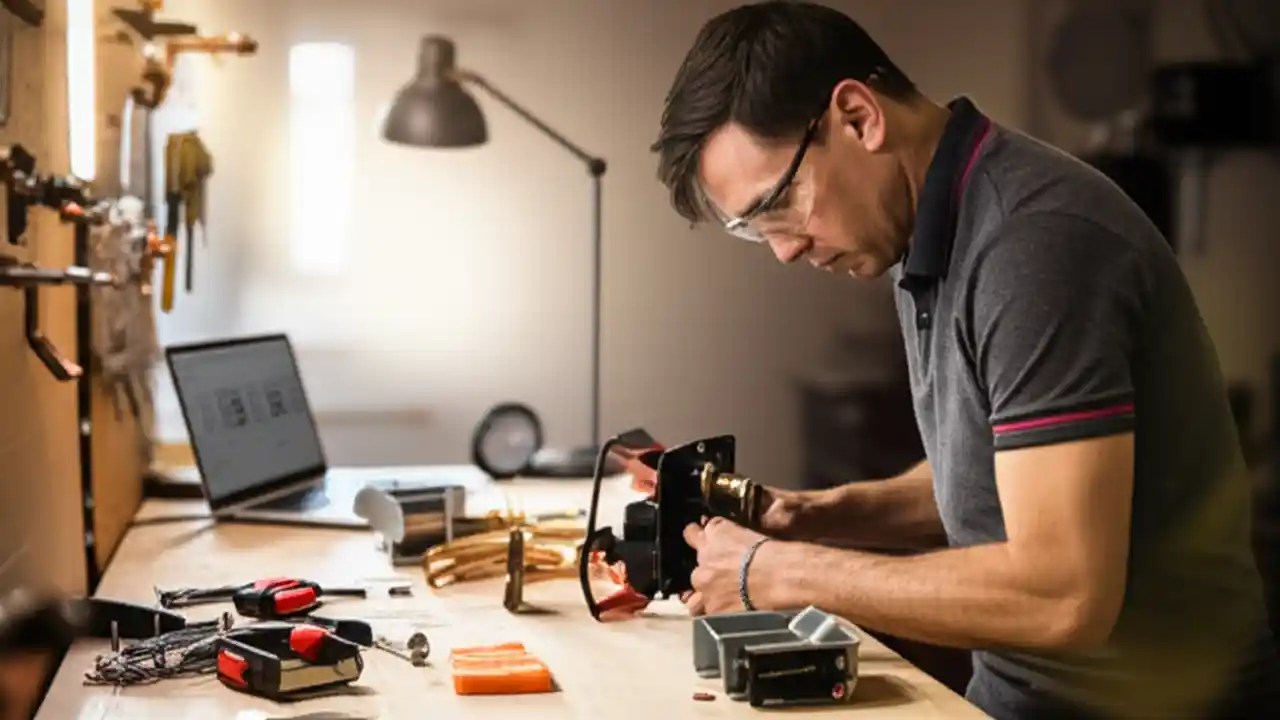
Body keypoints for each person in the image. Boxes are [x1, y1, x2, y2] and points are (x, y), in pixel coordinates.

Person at [649, 2, 1280, 718]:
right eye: (753, 230)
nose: (786, 249)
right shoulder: (927, 230)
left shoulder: (1033, 245)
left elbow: (1063, 593)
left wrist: (782, 571)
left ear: (859, 117)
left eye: (779, 205)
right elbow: (1006, 473)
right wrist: (812, 515)